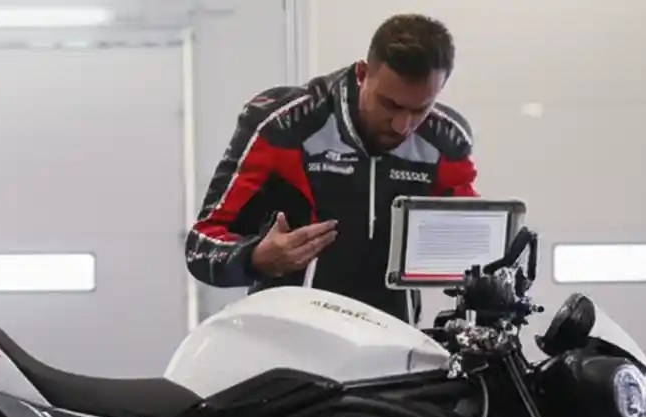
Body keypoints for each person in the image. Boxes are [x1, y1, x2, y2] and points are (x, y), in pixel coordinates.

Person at [185, 13, 477, 324]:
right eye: (389, 104)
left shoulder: (447, 140)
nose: (402, 126)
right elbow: (200, 246)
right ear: (363, 73)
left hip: (393, 346)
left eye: (420, 109)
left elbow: (470, 247)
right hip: (290, 344)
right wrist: (256, 258)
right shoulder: (285, 124)